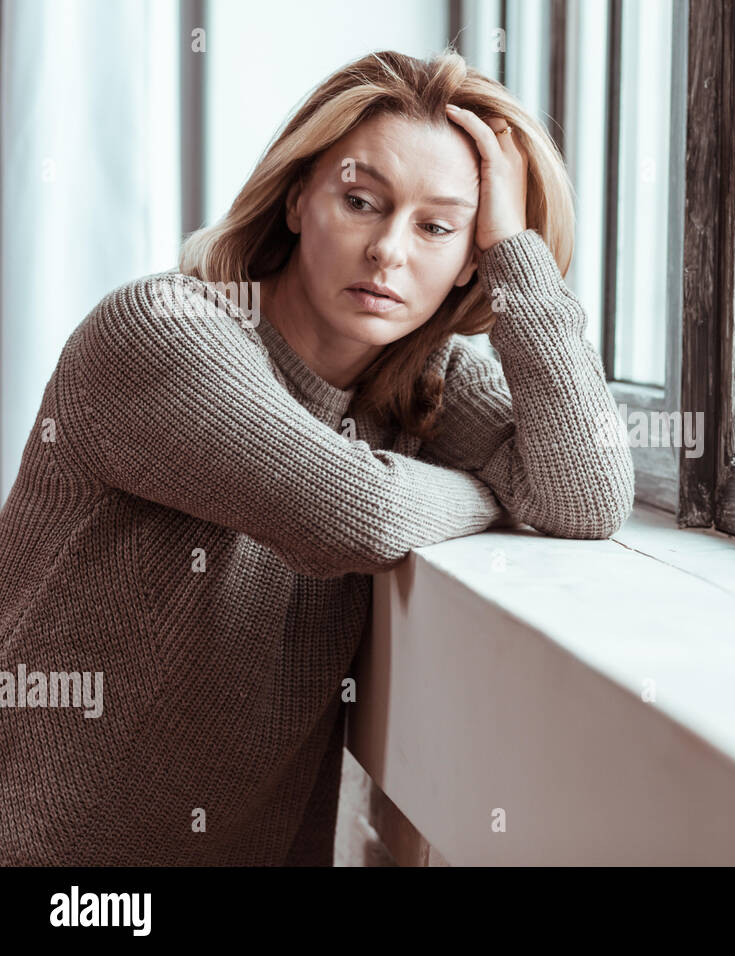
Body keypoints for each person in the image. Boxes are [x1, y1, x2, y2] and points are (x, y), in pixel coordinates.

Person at [0, 48, 635, 865]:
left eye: (438, 227)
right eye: (363, 202)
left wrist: (516, 249)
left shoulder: (419, 387)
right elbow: (358, 515)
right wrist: (489, 490)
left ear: (470, 259)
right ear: (299, 196)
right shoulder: (163, 331)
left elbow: (584, 495)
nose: (389, 252)